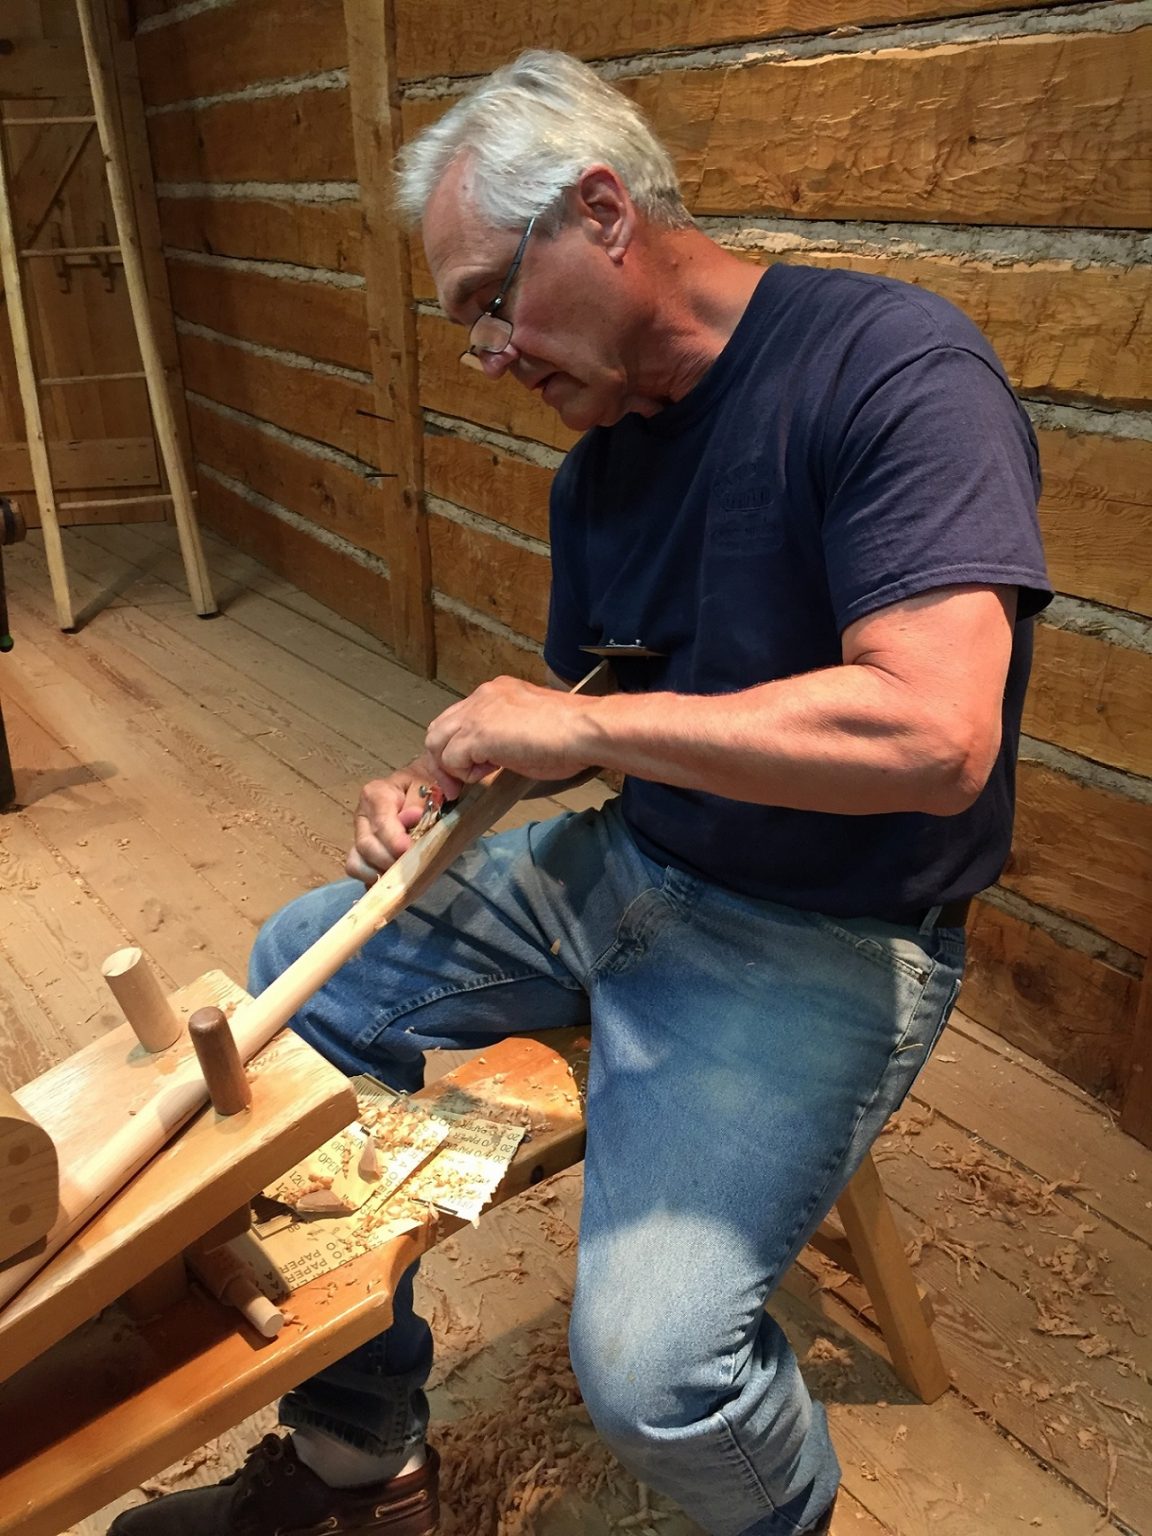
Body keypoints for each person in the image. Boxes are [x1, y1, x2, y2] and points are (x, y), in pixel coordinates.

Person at [112, 49, 1051, 1536]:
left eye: (492, 299)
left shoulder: (888, 370)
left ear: (604, 213)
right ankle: (363, 1465)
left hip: (821, 933)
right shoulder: (600, 465)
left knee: (656, 1374)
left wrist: (571, 725)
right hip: (633, 869)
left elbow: (937, 734)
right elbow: (616, 715)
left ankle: (781, 1516)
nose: (486, 353)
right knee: (304, 965)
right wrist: (453, 781)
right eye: (465, 322)